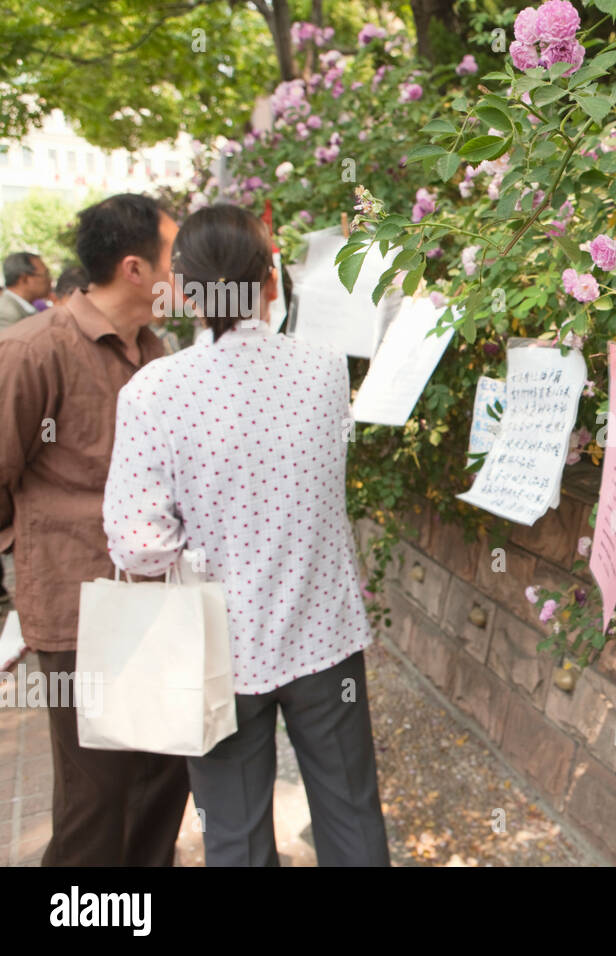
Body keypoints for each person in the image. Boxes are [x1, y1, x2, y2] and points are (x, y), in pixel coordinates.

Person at [103, 204, 389, 866]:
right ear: (270, 281)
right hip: (324, 634)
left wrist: (201, 551)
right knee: (351, 813)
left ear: (185, 291)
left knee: (234, 834)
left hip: (214, 648)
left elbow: (136, 540)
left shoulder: (154, 392)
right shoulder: (324, 370)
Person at [0, 194, 190, 865]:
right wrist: (32, 560)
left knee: (164, 781)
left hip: (156, 605)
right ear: (136, 269)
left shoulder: (157, 349)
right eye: (177, 256)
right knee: (96, 802)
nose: (189, 272)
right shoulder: (32, 351)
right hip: (79, 614)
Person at [0, 252, 51, 331]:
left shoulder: (24, 306)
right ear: (25, 279)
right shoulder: (7, 313)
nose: (50, 279)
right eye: (46, 274)